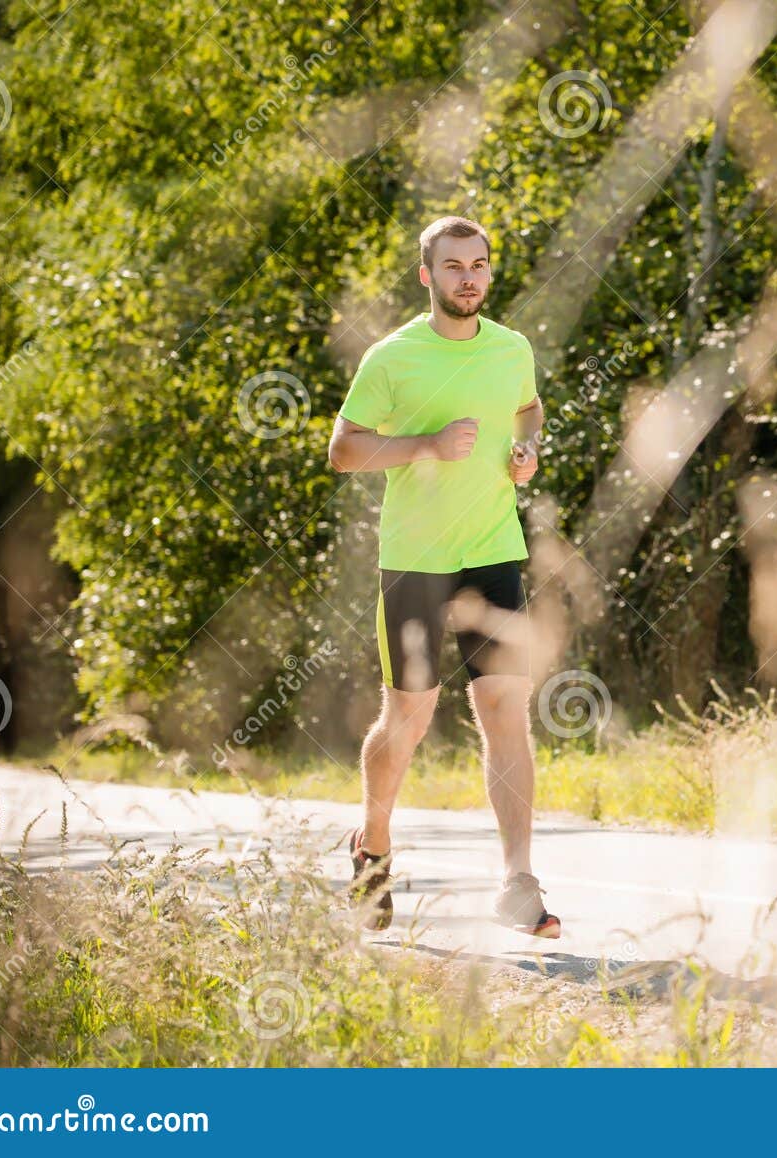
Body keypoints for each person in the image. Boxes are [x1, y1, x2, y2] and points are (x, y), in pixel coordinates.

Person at [327, 214, 559, 937]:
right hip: (417, 562)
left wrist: (528, 454)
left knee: (505, 710)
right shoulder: (393, 357)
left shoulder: (511, 349)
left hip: (494, 553)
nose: (469, 278)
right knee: (409, 719)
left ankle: (519, 880)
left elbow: (528, 411)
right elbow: (343, 451)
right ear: (428, 276)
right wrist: (425, 443)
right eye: (454, 266)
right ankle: (373, 846)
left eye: (480, 265)